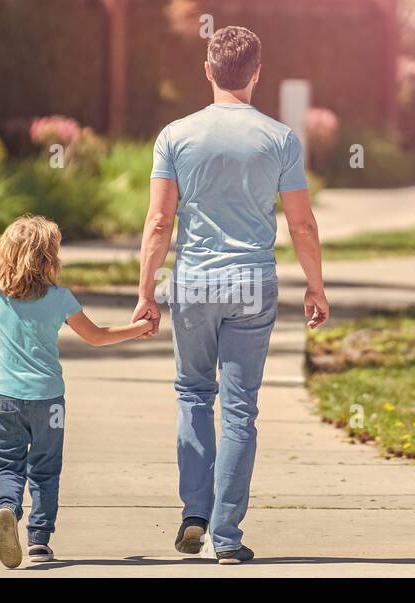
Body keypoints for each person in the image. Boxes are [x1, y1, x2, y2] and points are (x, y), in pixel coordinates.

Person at [131, 26, 329, 565]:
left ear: (208, 71)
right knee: (240, 410)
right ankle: (225, 535)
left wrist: (147, 290)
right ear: (257, 72)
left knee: (193, 394)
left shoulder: (175, 136)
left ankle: (193, 513)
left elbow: (157, 221)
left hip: (192, 283)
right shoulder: (280, 139)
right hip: (251, 284)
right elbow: (302, 225)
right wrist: (315, 284)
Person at [0, 215, 153, 568]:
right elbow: (97, 337)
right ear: (48, 260)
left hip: (4, 398)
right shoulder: (60, 299)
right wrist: (137, 329)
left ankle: (7, 508)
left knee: (7, 465)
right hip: (48, 400)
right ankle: (39, 541)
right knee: (45, 469)